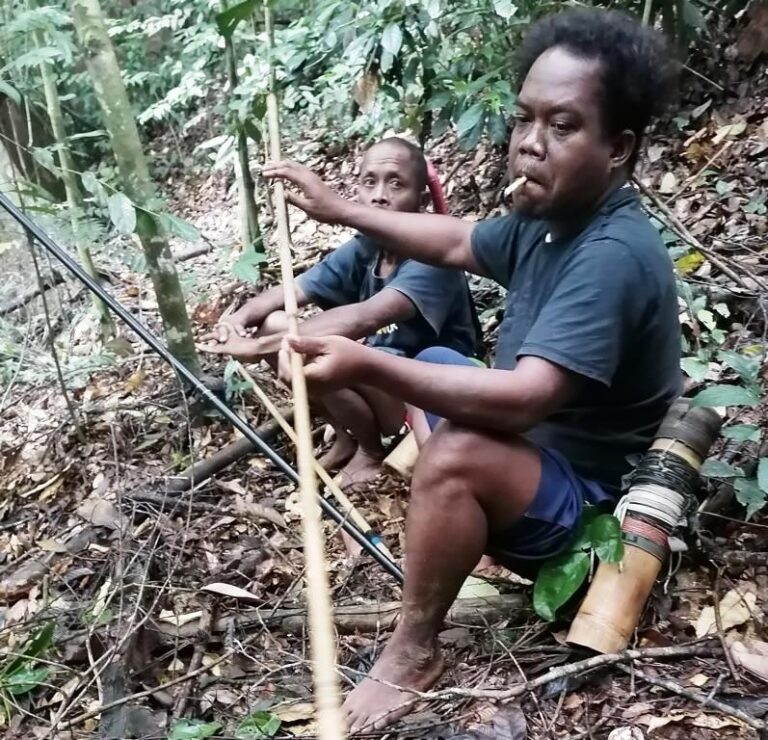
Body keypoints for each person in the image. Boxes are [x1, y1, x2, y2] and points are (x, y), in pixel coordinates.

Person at [264, 8, 681, 732]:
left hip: (590, 509)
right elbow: (456, 238)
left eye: (562, 126)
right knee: (433, 357)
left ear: (618, 148)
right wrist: (340, 211)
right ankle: (460, 528)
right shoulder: (552, 219)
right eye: (524, 120)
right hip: (540, 460)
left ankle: (412, 651)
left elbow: (524, 399)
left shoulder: (610, 252)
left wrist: (366, 362)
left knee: (453, 454)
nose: (529, 144)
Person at [200, 137, 480, 485]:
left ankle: (372, 451)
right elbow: (292, 291)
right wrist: (237, 320)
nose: (380, 194)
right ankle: (347, 436)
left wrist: (258, 348)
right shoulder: (367, 247)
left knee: (320, 349)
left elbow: (366, 317)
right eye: (369, 181)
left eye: (396, 183)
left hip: (429, 399)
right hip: (384, 376)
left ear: (421, 201)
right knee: (276, 324)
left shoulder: (433, 260)